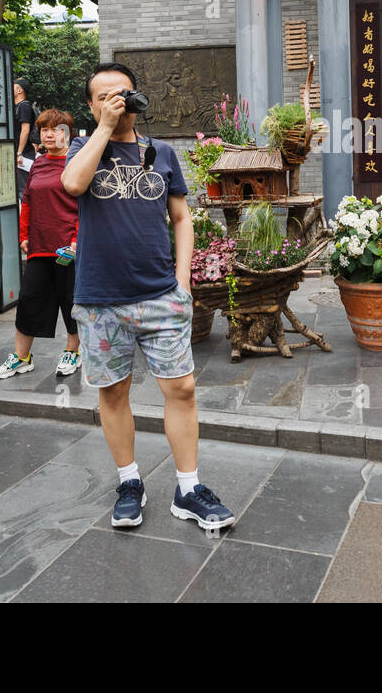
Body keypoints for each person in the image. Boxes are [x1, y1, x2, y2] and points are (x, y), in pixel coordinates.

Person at [62, 62, 234, 532]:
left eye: (123, 93)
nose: (116, 101)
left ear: (138, 97)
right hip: (100, 299)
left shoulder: (161, 153)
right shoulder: (82, 148)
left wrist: (182, 281)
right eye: (104, 96)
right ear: (92, 105)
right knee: (114, 393)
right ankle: (129, 482)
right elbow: (73, 184)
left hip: (161, 295)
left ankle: (189, 488)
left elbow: (182, 218)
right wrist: (103, 129)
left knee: (181, 389)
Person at [0, 109, 81, 380]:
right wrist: (23, 235)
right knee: (30, 299)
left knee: (70, 300)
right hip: (39, 246)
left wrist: (78, 239)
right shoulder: (39, 163)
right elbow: (28, 201)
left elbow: (86, 207)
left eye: (56, 129)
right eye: (44, 129)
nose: (49, 134)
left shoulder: (77, 163)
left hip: (68, 247)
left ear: (68, 134)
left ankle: (73, 351)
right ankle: (21, 357)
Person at [14, 77, 38, 197]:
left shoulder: (24, 106)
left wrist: (19, 153)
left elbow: (25, 130)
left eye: (13, 86)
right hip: (23, 152)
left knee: (23, 190)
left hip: (24, 154)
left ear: (19, 89)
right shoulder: (19, 106)